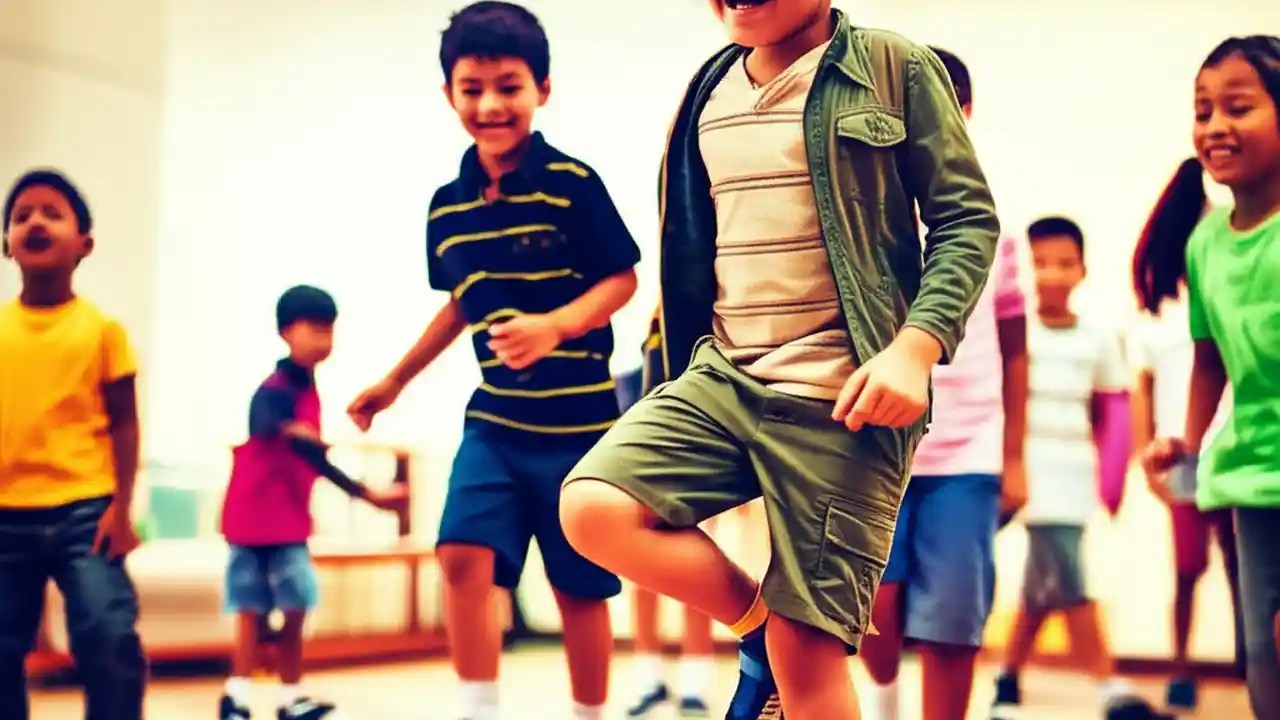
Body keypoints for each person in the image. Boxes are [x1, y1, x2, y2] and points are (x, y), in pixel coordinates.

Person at [558, 1, 1002, 717]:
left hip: (843, 400)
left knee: (810, 662)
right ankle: (758, 633)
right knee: (593, 509)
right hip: (723, 380)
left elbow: (967, 218)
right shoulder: (708, 88)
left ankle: (784, 645)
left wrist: (913, 351)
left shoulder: (895, 66)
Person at [346, 4, 641, 719]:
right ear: (448, 94)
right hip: (496, 426)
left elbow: (622, 277)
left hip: (580, 431)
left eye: (508, 86)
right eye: (471, 87)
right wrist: (393, 380)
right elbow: (460, 304)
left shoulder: (573, 182)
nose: (489, 104)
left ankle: (589, 713)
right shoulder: (446, 208)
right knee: (461, 555)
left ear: (542, 88)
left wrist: (554, 327)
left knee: (579, 584)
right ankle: (479, 707)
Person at [857, 47, 1029, 720]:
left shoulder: (994, 230)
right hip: (875, 448)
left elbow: (1016, 353)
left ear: (962, 114)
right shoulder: (862, 224)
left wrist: (1012, 456)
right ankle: (885, 706)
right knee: (877, 603)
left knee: (953, 617)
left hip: (969, 453)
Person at [1142, 35, 1280, 719]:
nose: (1216, 126)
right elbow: (1209, 359)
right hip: (1249, 471)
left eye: (1238, 107)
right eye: (1203, 111)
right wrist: (1188, 444)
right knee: (1262, 655)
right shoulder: (1206, 244)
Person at [989, 217, 1163, 720]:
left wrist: (1113, 480)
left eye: (1064, 263)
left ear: (1082, 269)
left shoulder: (1100, 337)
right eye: (1040, 263)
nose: (1052, 274)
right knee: (1061, 571)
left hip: (1071, 471)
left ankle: (1010, 677)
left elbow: (1114, 412)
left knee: (1049, 576)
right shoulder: (1013, 334)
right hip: (1021, 466)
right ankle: (1108, 686)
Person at [218, 285, 406, 720]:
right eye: (315, 328)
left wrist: (366, 493)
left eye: (329, 330)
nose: (324, 339)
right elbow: (269, 425)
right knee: (249, 609)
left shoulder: (308, 391)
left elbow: (315, 459)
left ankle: (290, 697)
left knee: (296, 605)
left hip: (288, 523)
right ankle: (238, 697)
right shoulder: (274, 388)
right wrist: (296, 433)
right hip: (252, 521)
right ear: (287, 332)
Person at [0, 169, 148, 720]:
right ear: (7, 243)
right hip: (4, 513)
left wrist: (122, 508)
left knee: (108, 635)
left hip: (85, 512)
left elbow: (125, 424)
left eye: (52, 213)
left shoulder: (103, 330)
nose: (35, 221)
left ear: (83, 244)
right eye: (21, 216)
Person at [1129, 157, 1243, 711]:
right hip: (1183, 454)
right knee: (1188, 567)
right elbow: (1143, 390)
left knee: (1243, 564)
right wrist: (1142, 459)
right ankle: (1180, 666)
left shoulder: (1228, 296)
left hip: (1238, 444)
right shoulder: (1164, 312)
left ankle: (1250, 662)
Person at [620, 323, 715, 719]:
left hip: (699, 449)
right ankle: (648, 680)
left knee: (698, 571)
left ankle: (697, 682)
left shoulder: (702, 318)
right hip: (647, 450)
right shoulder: (650, 335)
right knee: (642, 573)